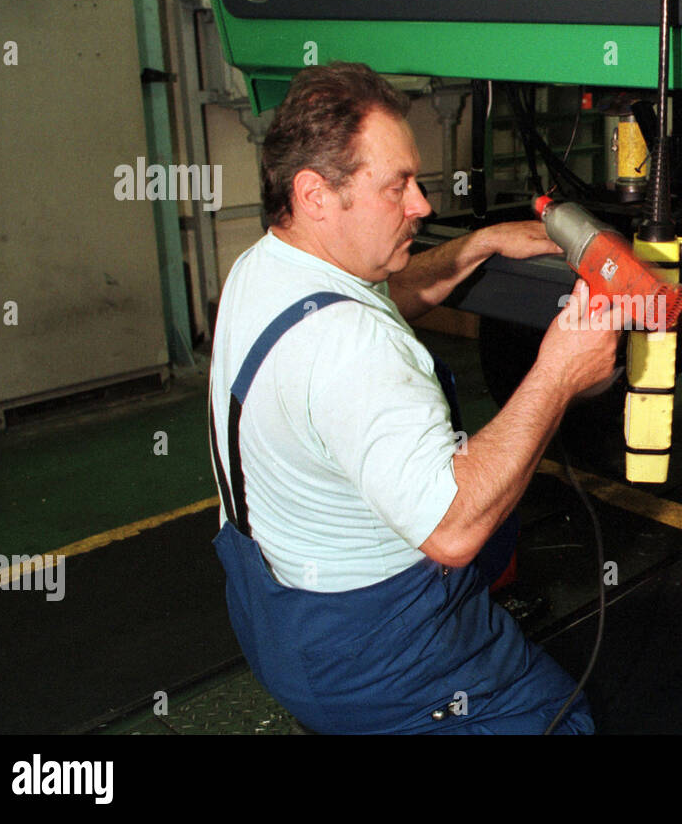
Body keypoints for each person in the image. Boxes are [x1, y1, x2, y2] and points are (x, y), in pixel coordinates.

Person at [208, 61, 618, 734]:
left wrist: (479, 244)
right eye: (396, 186)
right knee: (557, 718)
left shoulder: (266, 268)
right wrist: (560, 372)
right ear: (315, 193)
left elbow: (382, 294)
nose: (422, 204)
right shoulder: (354, 349)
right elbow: (453, 529)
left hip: (274, 612)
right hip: (377, 652)